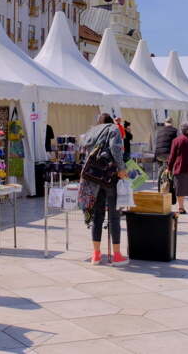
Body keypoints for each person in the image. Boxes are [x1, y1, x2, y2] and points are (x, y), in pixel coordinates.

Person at [78, 113, 129, 266]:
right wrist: (121, 168)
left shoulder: (91, 132)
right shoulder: (113, 129)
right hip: (109, 177)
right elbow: (115, 148)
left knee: (97, 215)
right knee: (114, 215)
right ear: (110, 121)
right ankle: (117, 255)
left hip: (94, 178)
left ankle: (96, 255)